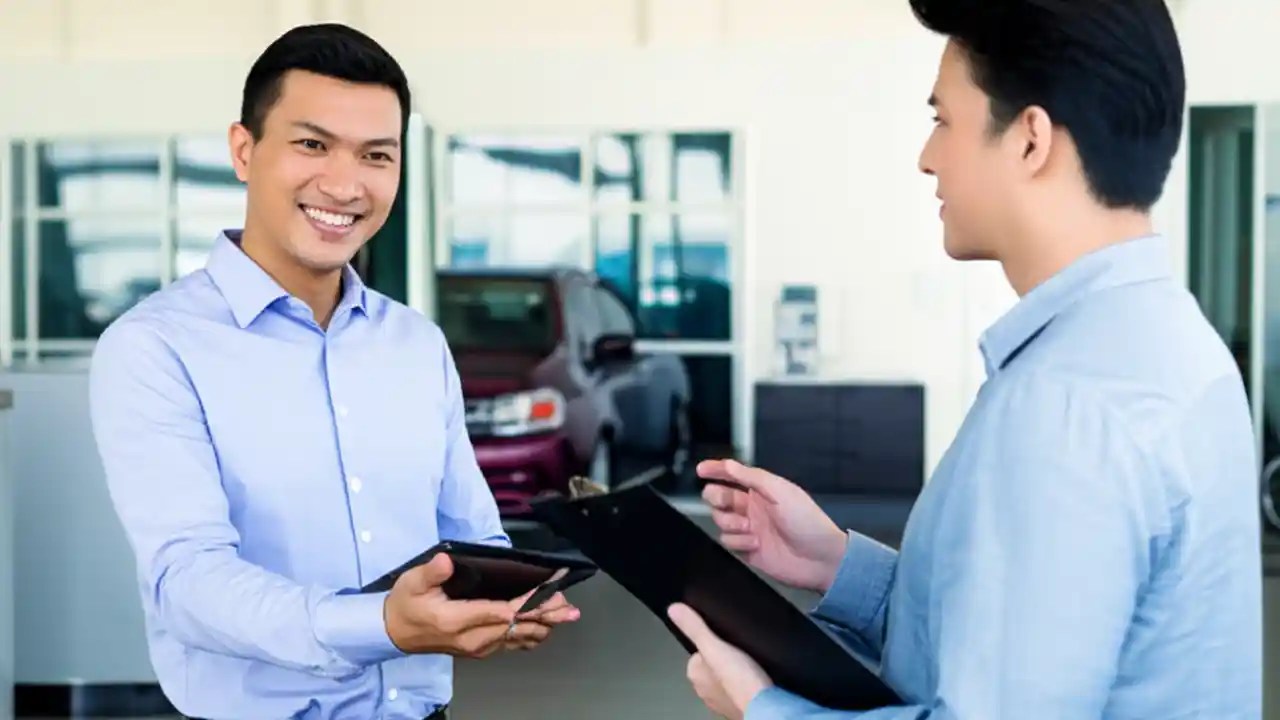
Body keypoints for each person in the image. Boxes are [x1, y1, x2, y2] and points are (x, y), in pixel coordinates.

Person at [667, 0, 1263, 718]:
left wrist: (762, 707)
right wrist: (834, 561)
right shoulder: (1172, 345)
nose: (928, 157)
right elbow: (1032, 646)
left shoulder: (1063, 403)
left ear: (1030, 140)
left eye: (943, 119)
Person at [88, 24, 579, 720]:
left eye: (376, 155)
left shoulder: (416, 344)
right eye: (312, 144)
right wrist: (379, 624)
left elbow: (472, 530)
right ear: (243, 149)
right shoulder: (154, 347)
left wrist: (501, 595)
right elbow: (188, 580)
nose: (345, 185)